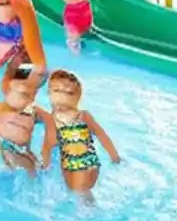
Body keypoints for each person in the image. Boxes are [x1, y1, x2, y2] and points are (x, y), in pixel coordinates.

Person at [46, 70, 121, 198]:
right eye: (57, 91)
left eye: (68, 93)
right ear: (49, 94)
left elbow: (101, 135)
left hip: (85, 164)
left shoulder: (83, 116)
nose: (62, 97)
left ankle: (90, 213)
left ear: (77, 98)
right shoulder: (51, 119)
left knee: (81, 193)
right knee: (74, 192)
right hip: (75, 164)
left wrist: (114, 156)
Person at [0, 72, 55, 177]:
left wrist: (46, 150)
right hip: (5, 153)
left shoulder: (32, 110)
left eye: (31, 95)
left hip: (25, 155)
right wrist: (0, 142)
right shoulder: (1, 109)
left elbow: (51, 121)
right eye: (23, 94)